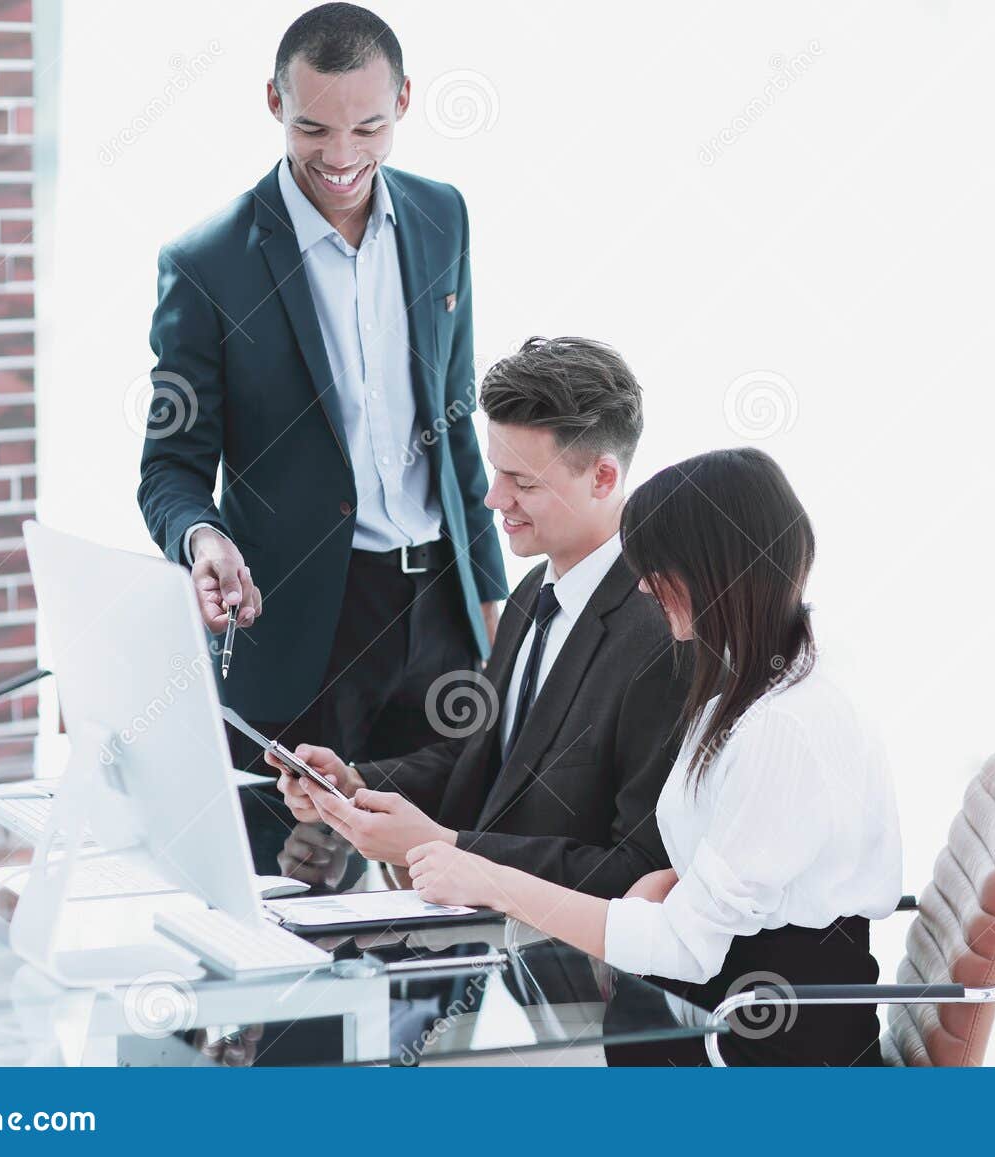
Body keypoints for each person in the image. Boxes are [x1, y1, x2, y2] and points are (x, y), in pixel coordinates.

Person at [382, 447, 904, 1065]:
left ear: (714, 570)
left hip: (766, 1047)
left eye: (656, 564)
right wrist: (675, 881)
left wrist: (492, 881)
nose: (642, 583)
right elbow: (729, 875)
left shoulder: (782, 725)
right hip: (713, 1013)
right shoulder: (752, 686)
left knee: (455, 1066)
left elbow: (688, 947)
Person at [137, 4, 507, 770]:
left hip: (443, 609)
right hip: (303, 630)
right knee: (290, 879)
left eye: (369, 129)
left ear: (404, 102)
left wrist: (491, 609)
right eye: (314, 129)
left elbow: (458, 418)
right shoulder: (208, 266)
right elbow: (170, 468)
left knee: (449, 872)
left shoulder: (444, 216)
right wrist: (204, 539)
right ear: (275, 102)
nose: (341, 156)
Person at [273, 337, 693, 898]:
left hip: (574, 968)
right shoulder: (528, 596)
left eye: (523, 482)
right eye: (497, 472)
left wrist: (450, 848)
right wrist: (355, 783)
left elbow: (639, 869)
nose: (494, 499)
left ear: (603, 479)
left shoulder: (666, 632)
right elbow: (485, 761)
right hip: (491, 946)